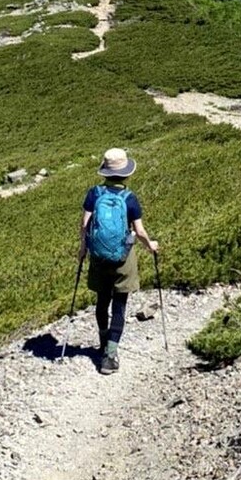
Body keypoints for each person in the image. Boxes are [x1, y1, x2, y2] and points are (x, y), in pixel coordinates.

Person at [79, 147, 159, 374]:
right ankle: (110, 356)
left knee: (102, 301)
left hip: (98, 257)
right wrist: (150, 245)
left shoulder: (94, 194)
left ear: (104, 172)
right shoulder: (129, 198)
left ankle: (102, 343)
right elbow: (139, 231)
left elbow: (85, 225)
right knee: (120, 306)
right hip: (123, 259)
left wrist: (83, 250)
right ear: (126, 173)